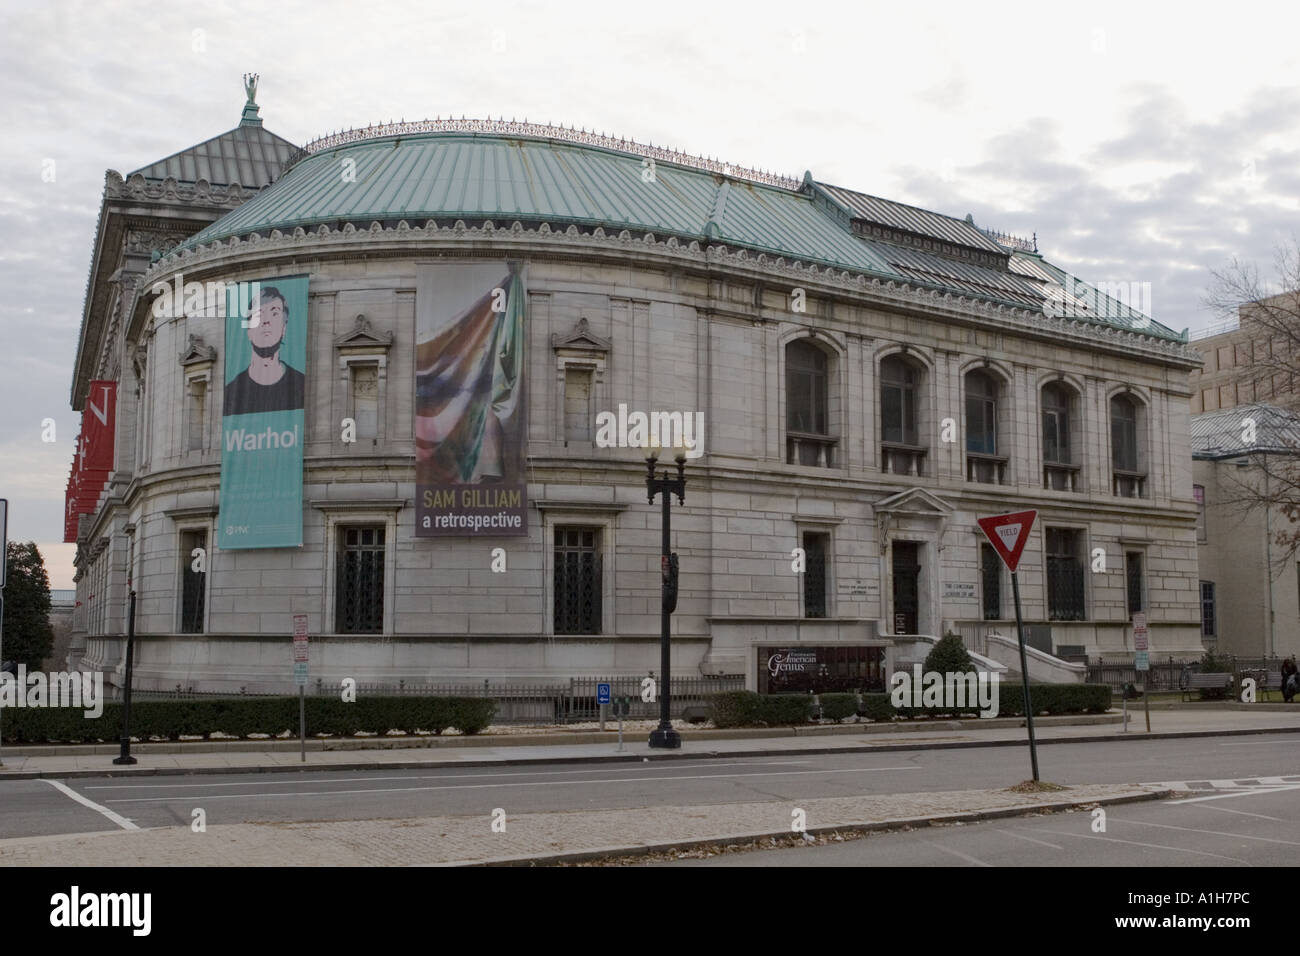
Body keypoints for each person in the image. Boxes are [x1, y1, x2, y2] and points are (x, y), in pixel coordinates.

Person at [223, 286, 305, 416]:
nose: (266, 321)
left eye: (274, 314)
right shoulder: (230, 393)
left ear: (284, 328)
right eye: (258, 315)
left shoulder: (302, 385)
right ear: (248, 331)